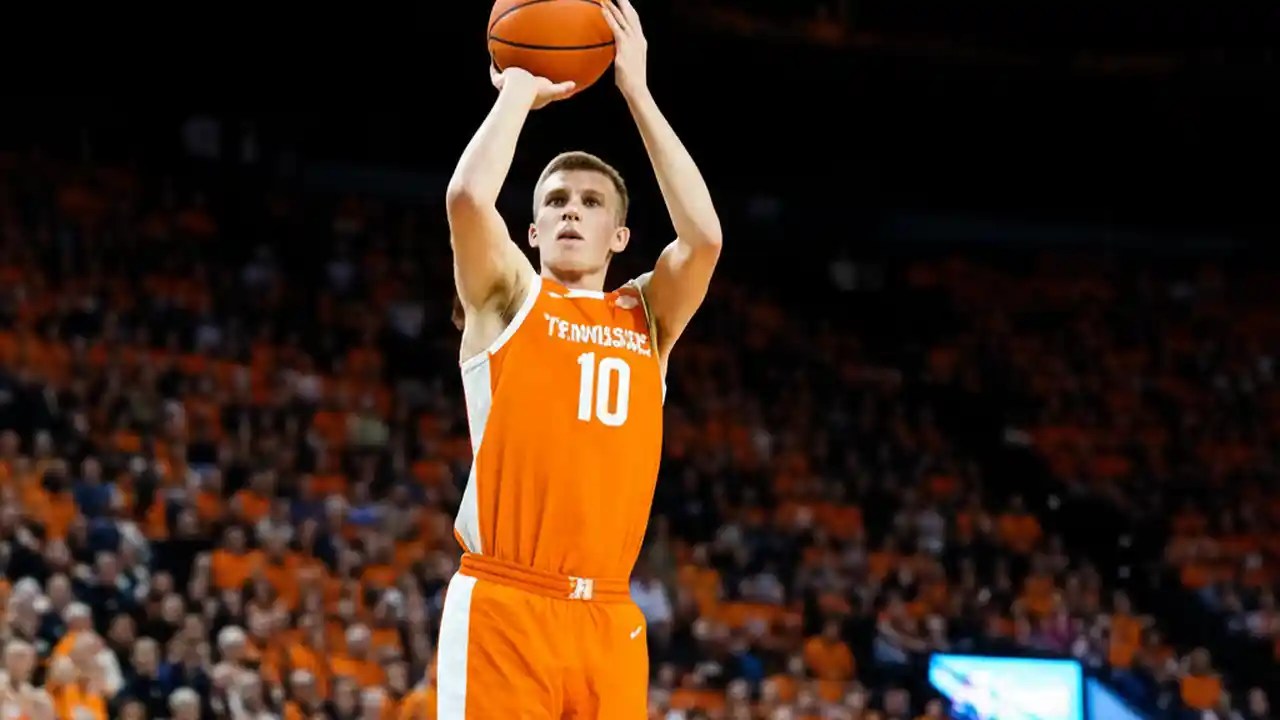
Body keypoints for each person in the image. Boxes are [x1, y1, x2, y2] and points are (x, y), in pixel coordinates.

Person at [436, 0, 722, 716]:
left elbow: (705, 240)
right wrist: (518, 95)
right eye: (556, 200)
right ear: (531, 230)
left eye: (591, 202)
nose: (571, 210)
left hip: (609, 617)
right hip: (507, 599)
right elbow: (469, 198)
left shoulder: (647, 314)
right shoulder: (508, 298)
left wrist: (638, 91)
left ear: (619, 236)